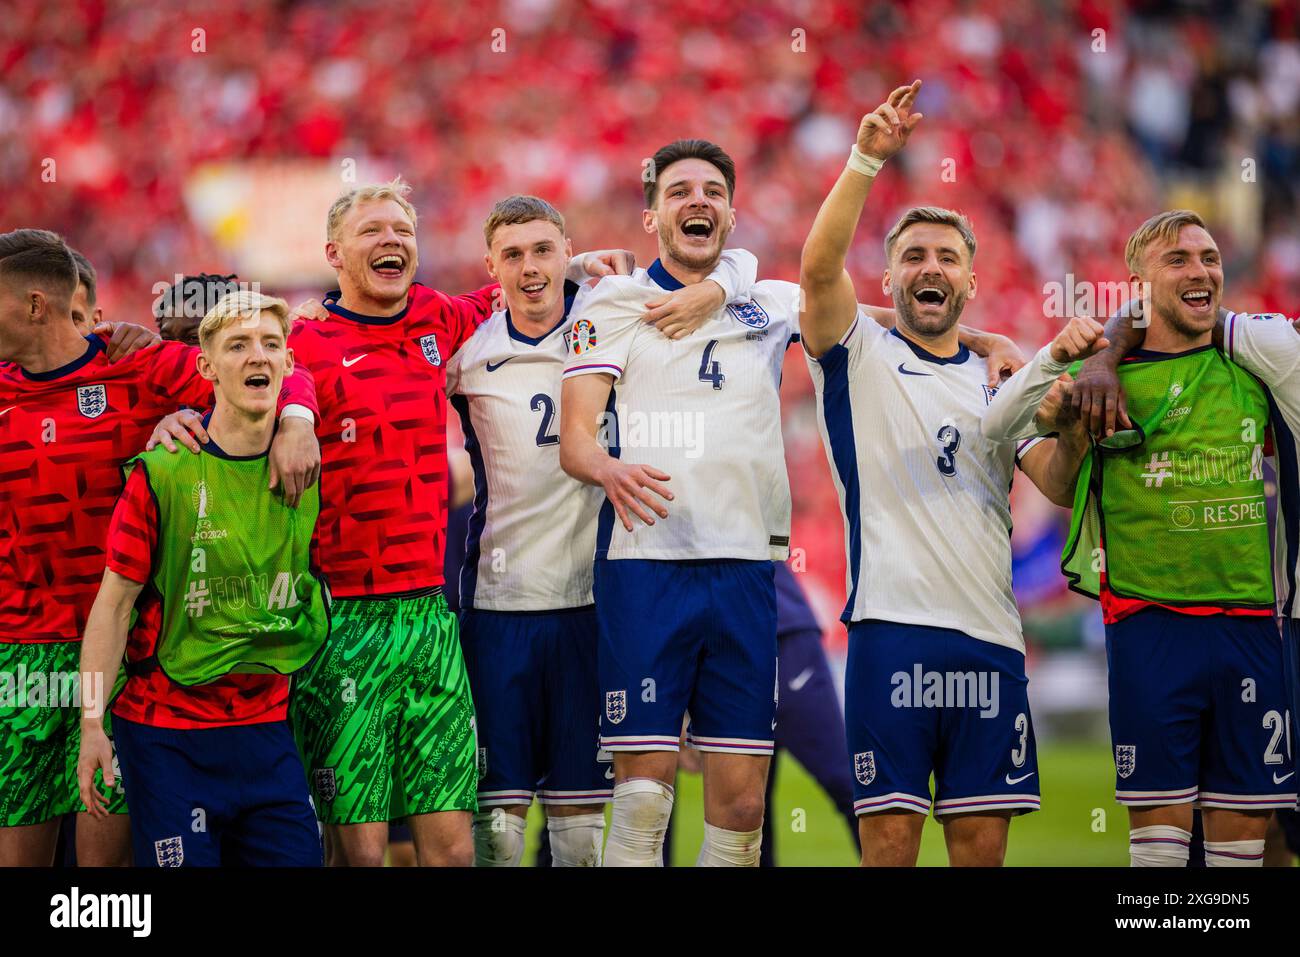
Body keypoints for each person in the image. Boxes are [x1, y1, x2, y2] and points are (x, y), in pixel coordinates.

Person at [798, 81, 1095, 866]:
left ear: (969, 278)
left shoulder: (1001, 376)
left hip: (992, 641)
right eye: (913, 257)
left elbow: (1056, 484)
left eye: (947, 257)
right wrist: (867, 158)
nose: (931, 267)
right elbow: (819, 267)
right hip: (891, 631)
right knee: (889, 849)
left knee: (979, 851)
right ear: (889, 280)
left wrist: (1074, 433)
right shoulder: (858, 352)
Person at [449, 194, 756, 866]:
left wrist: (969, 336)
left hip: (597, 610)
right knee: (496, 836)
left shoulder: (615, 320)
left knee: (583, 840)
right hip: (498, 612)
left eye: (543, 250)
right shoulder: (465, 354)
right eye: (513, 254)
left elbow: (754, 285)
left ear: (567, 253)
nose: (530, 267)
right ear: (490, 266)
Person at [985, 209, 1294, 866]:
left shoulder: (1257, 361)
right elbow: (1025, 452)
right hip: (1148, 623)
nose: (1200, 270)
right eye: (1177, 260)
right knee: (1158, 852)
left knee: (1244, 849)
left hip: (1252, 621)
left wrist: (1108, 348)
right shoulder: (1101, 383)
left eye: (1209, 257)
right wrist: (1084, 387)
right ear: (1139, 279)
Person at [0, 229, 319, 867]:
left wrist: (296, 421)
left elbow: (281, 373)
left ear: (36, 305)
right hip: (20, 660)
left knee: (104, 876)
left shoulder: (135, 364)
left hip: (123, 656)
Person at [78, 290, 328, 867]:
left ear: (289, 365)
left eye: (271, 345)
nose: (257, 357)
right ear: (206, 366)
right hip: (167, 736)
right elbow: (113, 606)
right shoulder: (162, 471)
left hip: (267, 729)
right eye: (238, 346)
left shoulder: (310, 468)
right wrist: (92, 723)